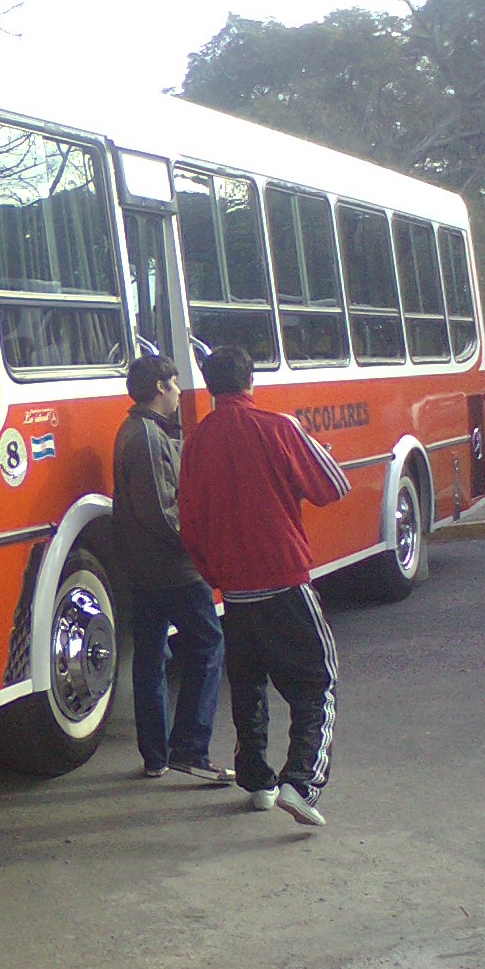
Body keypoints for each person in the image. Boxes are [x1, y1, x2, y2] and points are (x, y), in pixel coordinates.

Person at [178, 346, 350, 827]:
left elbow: (188, 524)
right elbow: (332, 486)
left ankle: (258, 781)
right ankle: (302, 781)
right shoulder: (279, 427)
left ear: (210, 387)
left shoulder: (194, 443)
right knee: (318, 681)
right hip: (285, 581)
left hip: (233, 590)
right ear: (251, 381)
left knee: (249, 686)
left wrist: (216, 574)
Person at [112, 354, 233, 785]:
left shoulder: (141, 430)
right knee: (208, 644)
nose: (181, 390)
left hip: (144, 568)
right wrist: (199, 547)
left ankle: (156, 756)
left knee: (151, 659)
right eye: (176, 383)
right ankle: (190, 748)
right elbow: (162, 513)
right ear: (161, 386)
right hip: (172, 569)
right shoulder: (146, 437)